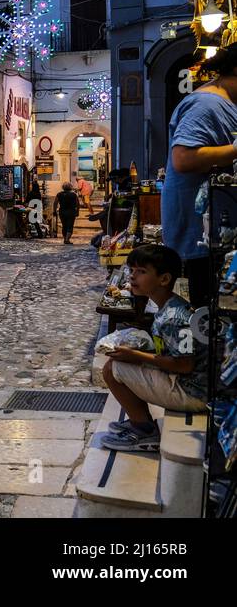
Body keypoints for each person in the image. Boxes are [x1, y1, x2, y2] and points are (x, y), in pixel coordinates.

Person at [101, 244, 208, 452]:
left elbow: (185, 365)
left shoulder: (174, 317)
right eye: (131, 270)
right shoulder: (169, 306)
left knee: (112, 369)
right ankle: (140, 421)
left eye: (141, 272)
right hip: (189, 384)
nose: (132, 277)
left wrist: (135, 355)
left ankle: (144, 431)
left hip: (192, 392)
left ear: (164, 279)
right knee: (118, 363)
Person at [164, 45, 237, 292]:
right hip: (205, 241)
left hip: (216, 236)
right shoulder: (206, 105)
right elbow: (183, 158)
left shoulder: (219, 102)